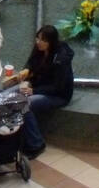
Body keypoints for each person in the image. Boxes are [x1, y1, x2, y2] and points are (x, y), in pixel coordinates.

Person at [20, 25, 74, 159]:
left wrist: (33, 91)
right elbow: (32, 61)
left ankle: (36, 143)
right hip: (39, 85)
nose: (38, 42)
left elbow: (58, 86)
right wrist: (27, 70)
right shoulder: (40, 48)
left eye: (43, 40)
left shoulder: (60, 60)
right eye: (37, 38)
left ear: (51, 42)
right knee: (11, 95)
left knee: (25, 105)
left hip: (57, 95)